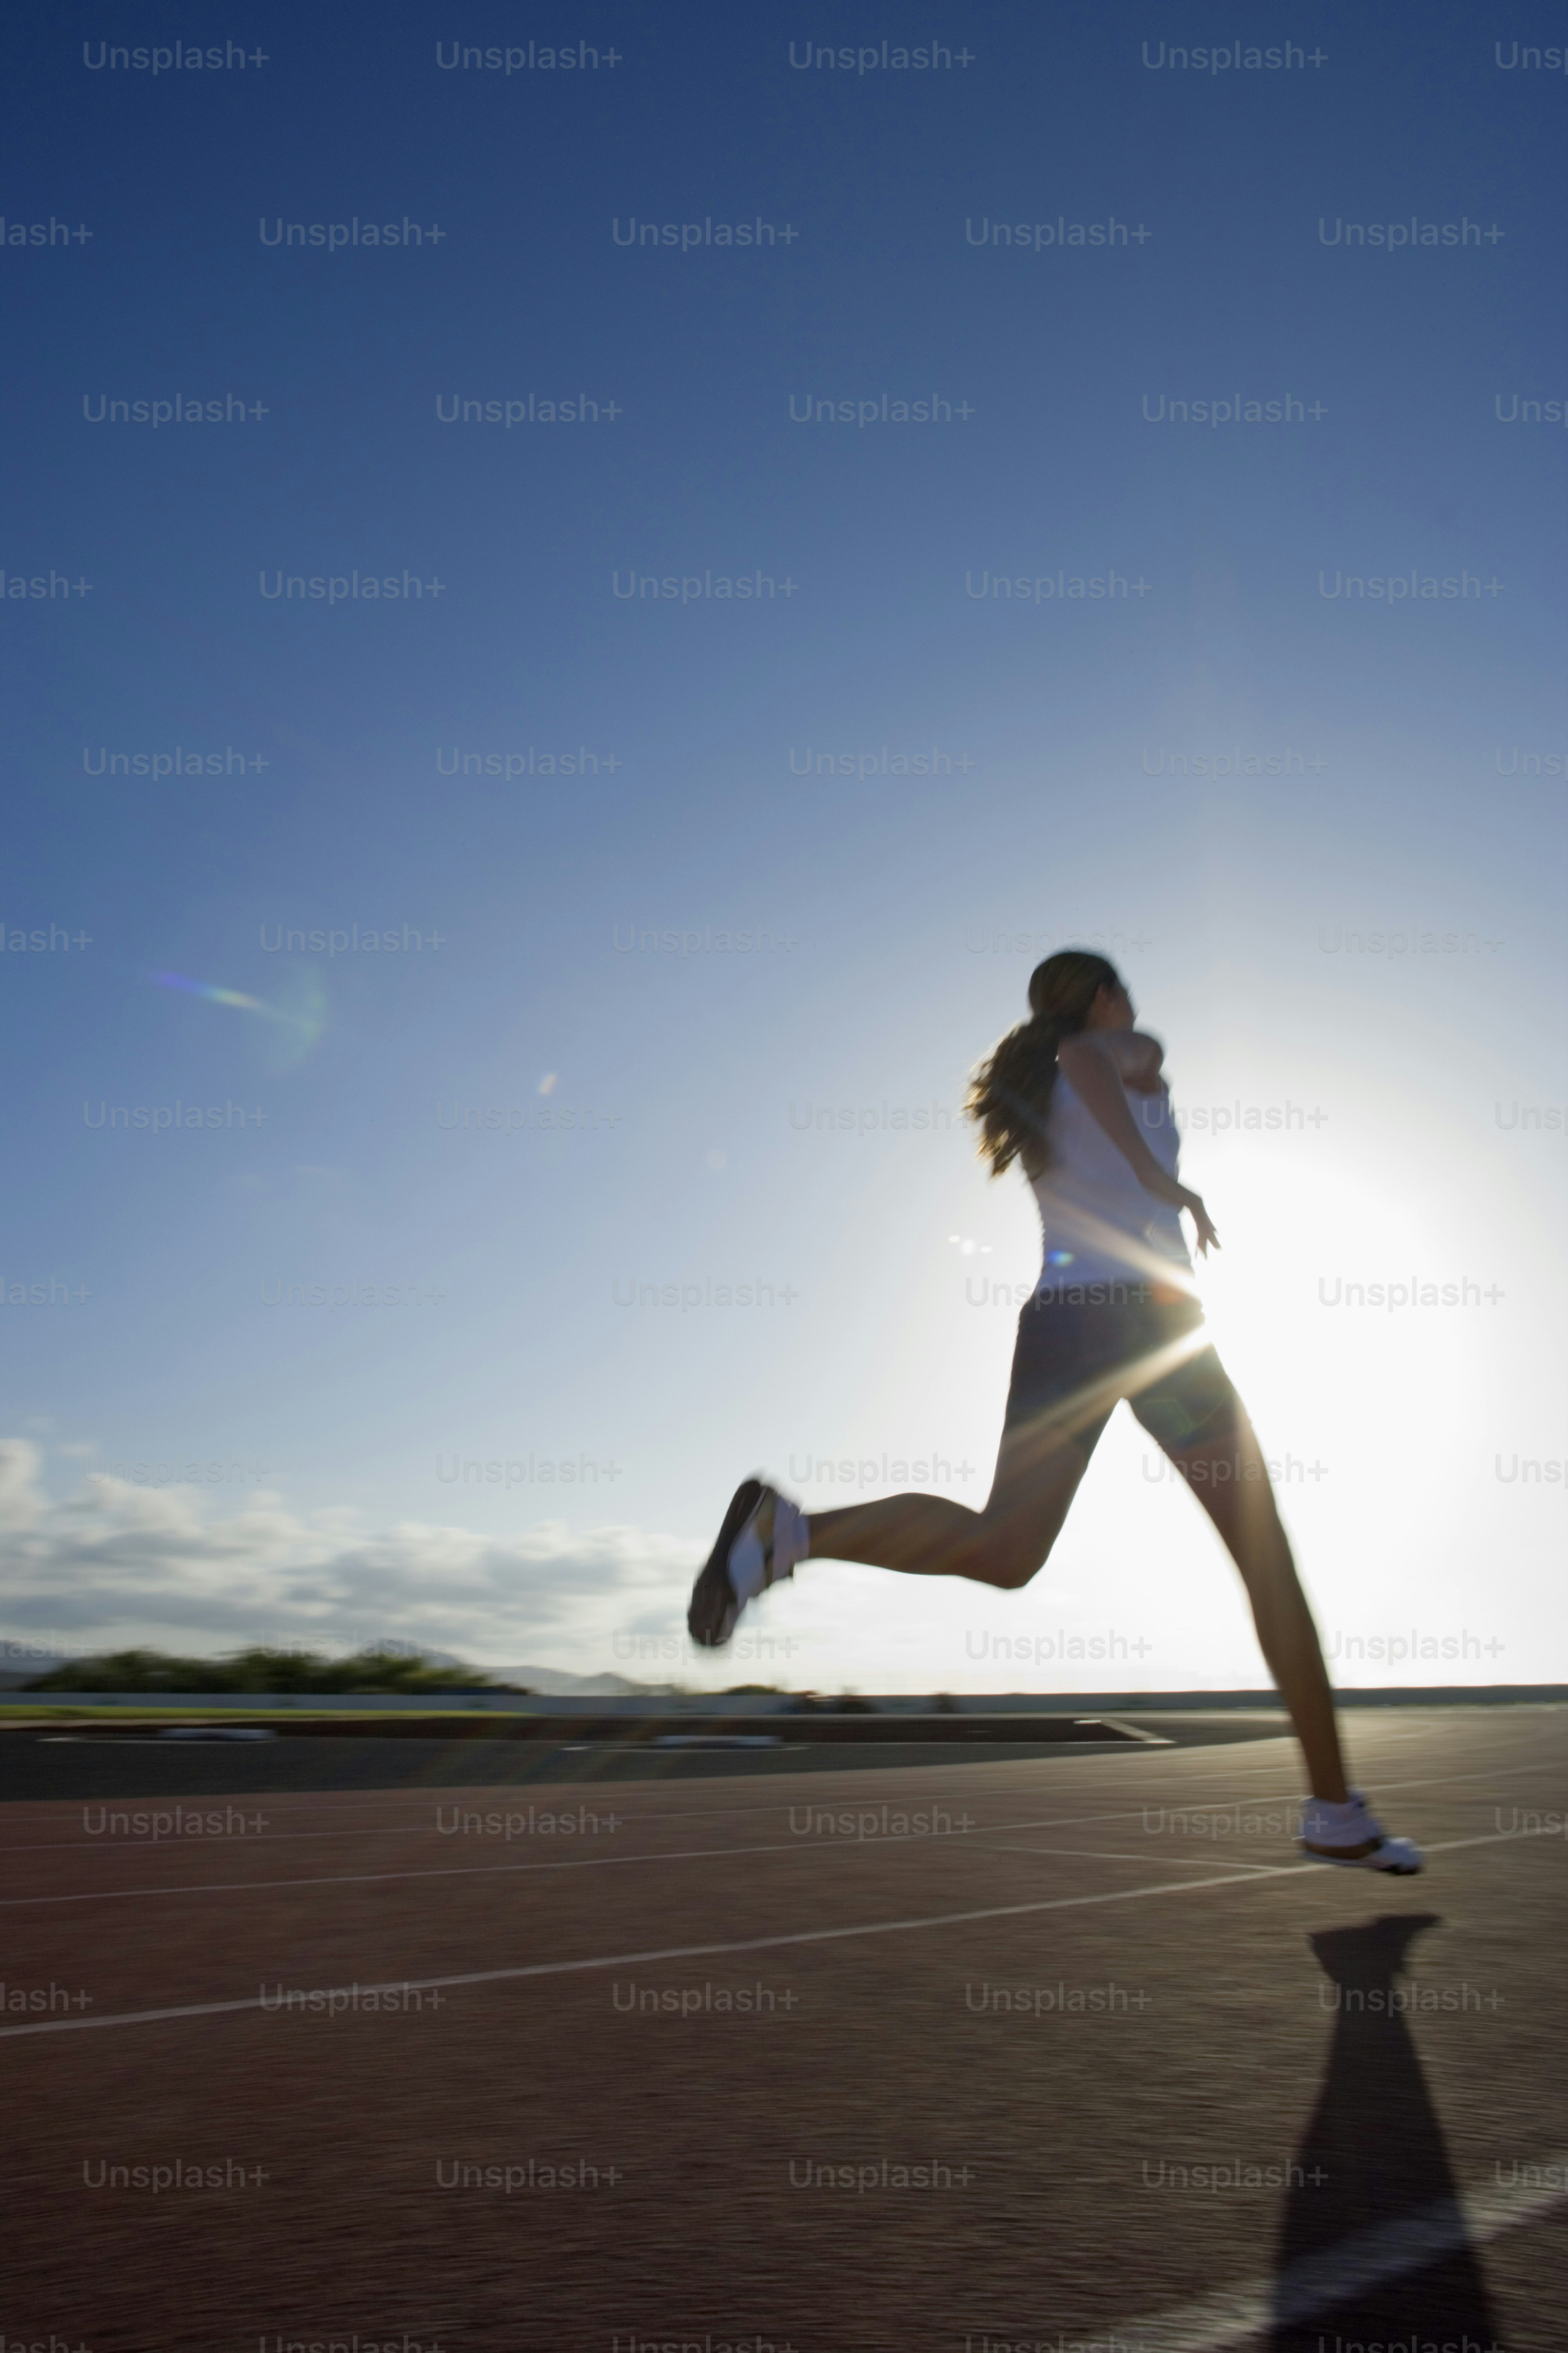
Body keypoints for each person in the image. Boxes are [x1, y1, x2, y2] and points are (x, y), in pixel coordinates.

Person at [688, 949, 1421, 1873]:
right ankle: (1332, 1809)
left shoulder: (1042, 1094)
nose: (1133, 1005)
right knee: (1264, 1557)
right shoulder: (1113, 1051)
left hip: (1064, 1324)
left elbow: (1073, 1071)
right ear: (1102, 998)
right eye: (1121, 991)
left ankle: (783, 1533)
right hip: (1150, 1327)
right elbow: (1086, 1059)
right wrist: (1162, 1185)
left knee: (1006, 1550)